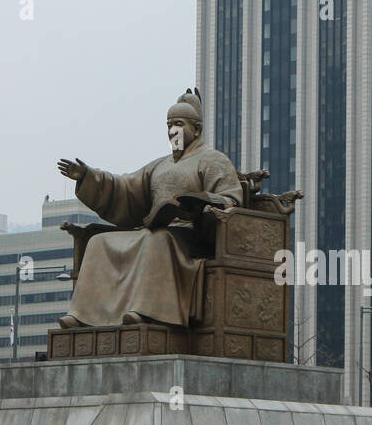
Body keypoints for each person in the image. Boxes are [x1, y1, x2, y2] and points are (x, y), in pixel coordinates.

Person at [55, 90, 243, 328]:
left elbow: (231, 199)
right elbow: (125, 187)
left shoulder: (214, 160)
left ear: (196, 129)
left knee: (157, 239)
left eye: (179, 124)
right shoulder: (159, 165)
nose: (172, 130)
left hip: (191, 237)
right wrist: (88, 176)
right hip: (155, 231)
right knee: (99, 243)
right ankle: (84, 315)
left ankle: (146, 311)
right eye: (169, 125)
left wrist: (199, 204)